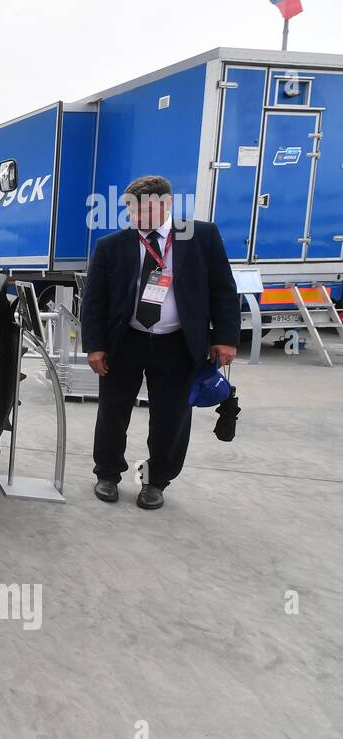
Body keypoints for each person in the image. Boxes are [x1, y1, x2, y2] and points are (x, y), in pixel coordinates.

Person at [80, 175, 240, 509]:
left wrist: (225, 338)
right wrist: (94, 345)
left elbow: (223, 289)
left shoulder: (201, 237)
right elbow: (95, 300)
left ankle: (155, 482)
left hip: (178, 344)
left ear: (167, 204)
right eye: (130, 209)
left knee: (170, 418)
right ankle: (107, 474)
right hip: (126, 342)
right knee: (112, 412)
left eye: (144, 209)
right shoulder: (111, 246)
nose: (136, 216)